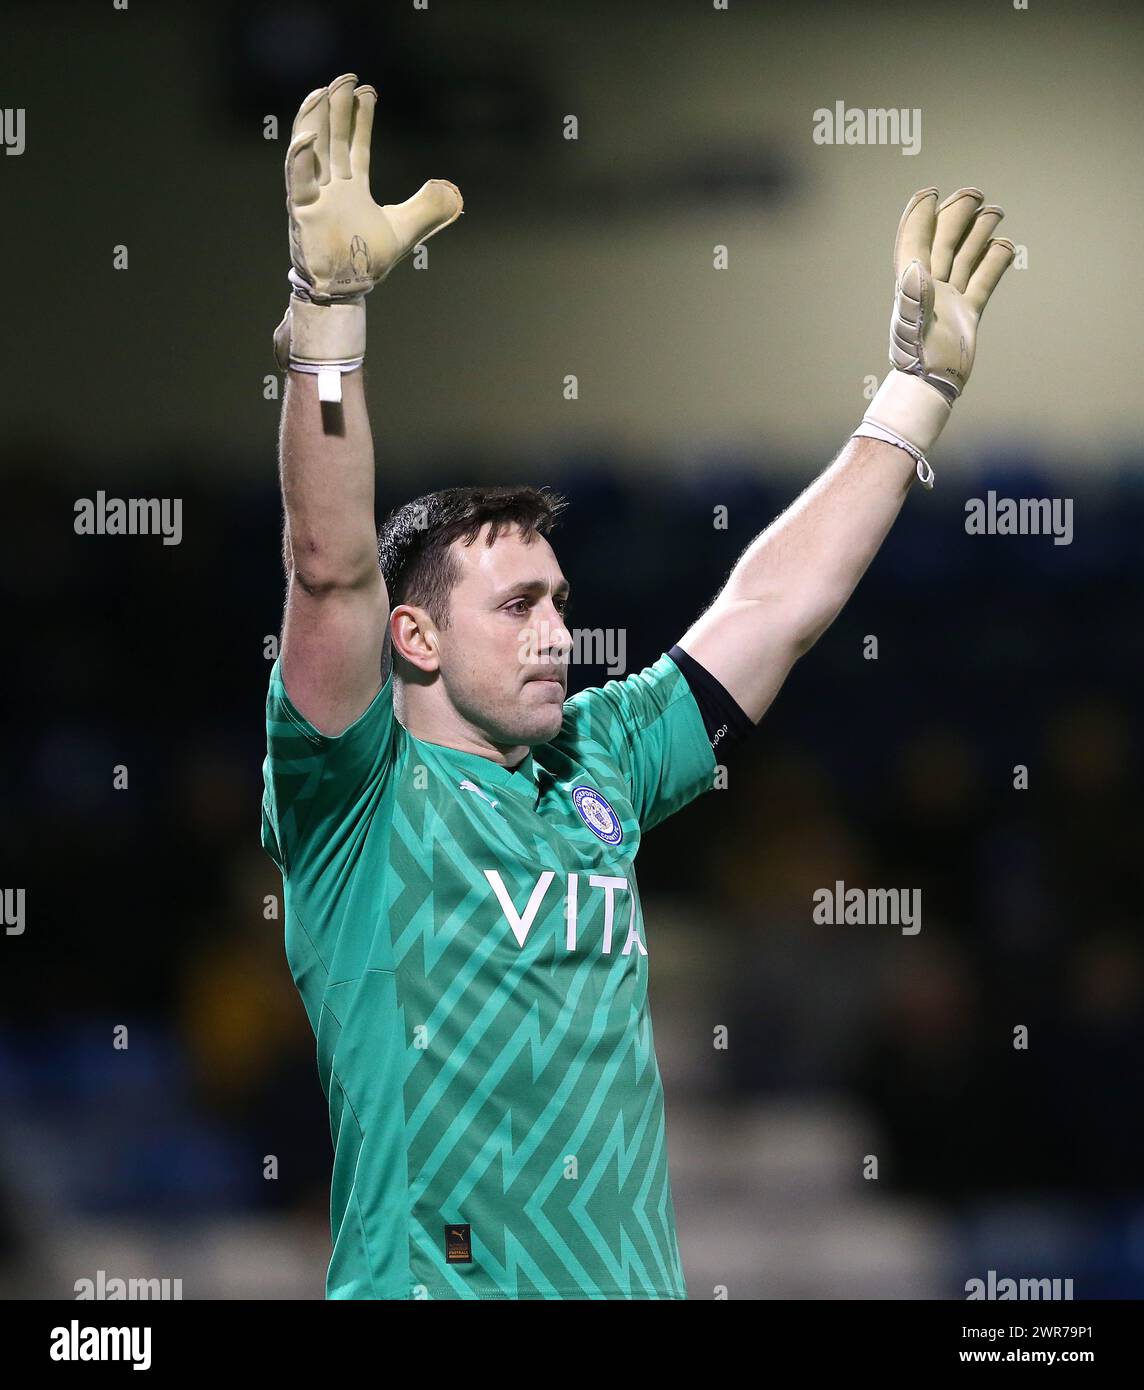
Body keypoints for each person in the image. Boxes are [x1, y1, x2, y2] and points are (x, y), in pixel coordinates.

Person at [261, 72, 1016, 1299]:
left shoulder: (597, 757)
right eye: (516, 607)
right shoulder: (352, 796)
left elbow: (772, 607)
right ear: (415, 638)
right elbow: (327, 563)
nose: (557, 631)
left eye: (560, 601)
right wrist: (328, 315)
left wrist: (911, 395)